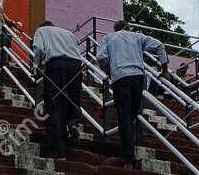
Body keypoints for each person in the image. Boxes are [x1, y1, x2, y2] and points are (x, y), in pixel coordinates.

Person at [96, 19, 166, 163]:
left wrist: (109, 72)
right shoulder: (138, 36)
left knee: (124, 116)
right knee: (133, 114)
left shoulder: (109, 38)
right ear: (128, 28)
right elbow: (159, 45)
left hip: (120, 77)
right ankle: (131, 146)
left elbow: (100, 57)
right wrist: (164, 69)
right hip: (138, 77)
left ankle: (129, 156)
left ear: (116, 29)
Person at [31, 18, 84, 161]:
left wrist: (38, 67)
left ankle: (58, 152)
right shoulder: (68, 33)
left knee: (54, 106)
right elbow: (77, 49)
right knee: (74, 99)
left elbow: (39, 49)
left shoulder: (41, 31)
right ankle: (73, 122)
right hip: (76, 65)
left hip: (56, 65)